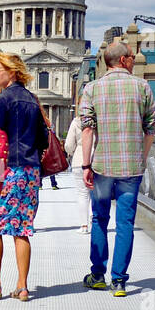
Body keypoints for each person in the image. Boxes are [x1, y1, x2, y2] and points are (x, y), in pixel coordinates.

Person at [78, 41, 155, 298]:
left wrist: (86, 164)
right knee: (125, 223)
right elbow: (151, 128)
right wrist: (141, 158)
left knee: (100, 218)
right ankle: (120, 281)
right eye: (132, 57)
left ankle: (98, 275)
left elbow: (87, 128)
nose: (133, 60)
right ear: (123, 60)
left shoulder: (92, 88)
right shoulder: (142, 87)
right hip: (131, 167)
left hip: (102, 165)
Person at [0, 52, 47, 302]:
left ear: (13, 71)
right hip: (30, 171)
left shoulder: (2, 101)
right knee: (22, 229)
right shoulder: (32, 100)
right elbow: (43, 140)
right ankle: (22, 286)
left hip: (7, 170)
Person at [63, 91, 90, 234]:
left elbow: (68, 144)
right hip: (96, 159)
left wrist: (71, 152)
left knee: (82, 193)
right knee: (95, 192)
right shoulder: (99, 120)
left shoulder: (77, 121)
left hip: (80, 159)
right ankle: (93, 216)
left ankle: (84, 225)